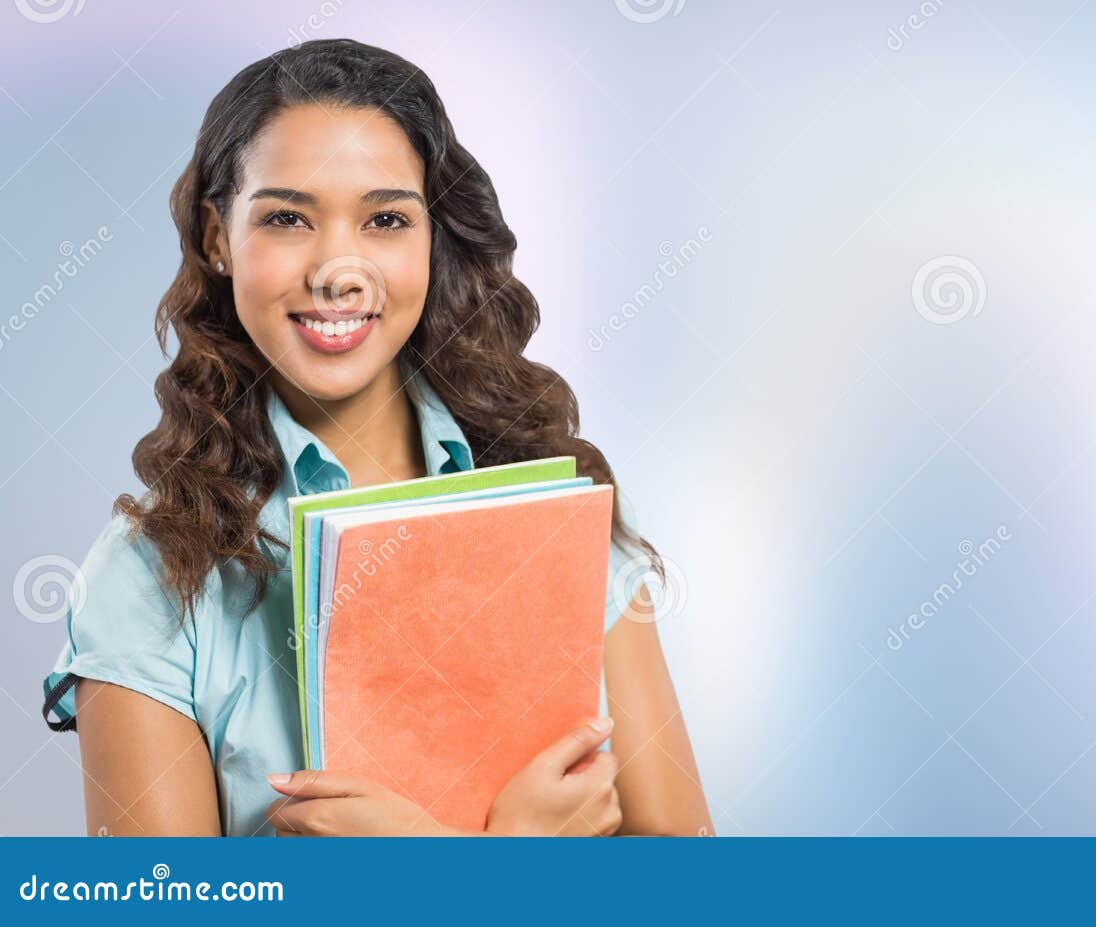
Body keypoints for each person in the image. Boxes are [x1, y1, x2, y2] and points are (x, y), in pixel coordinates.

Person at [40, 38, 711, 837]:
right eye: (287, 217)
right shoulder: (149, 576)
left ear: (435, 236)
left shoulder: (555, 500)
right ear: (219, 238)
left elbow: (699, 886)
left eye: (386, 218)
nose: (338, 270)